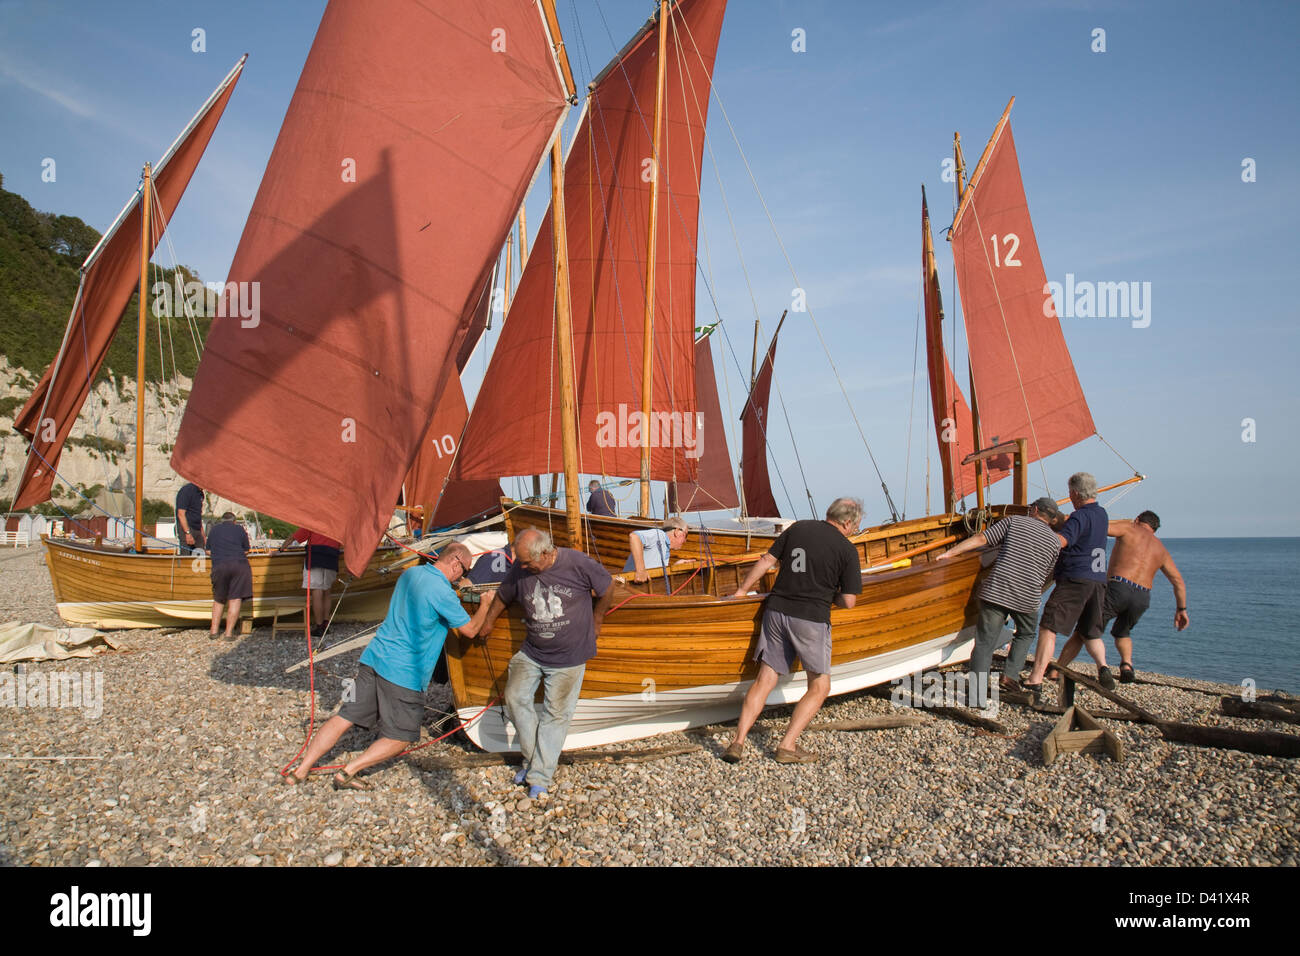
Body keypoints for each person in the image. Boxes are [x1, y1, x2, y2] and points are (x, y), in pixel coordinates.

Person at [285, 542, 479, 789]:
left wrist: (456, 586)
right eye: (465, 570)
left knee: (344, 716)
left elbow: (427, 593)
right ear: (455, 562)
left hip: (374, 658)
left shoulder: (411, 574)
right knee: (402, 736)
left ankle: (300, 770)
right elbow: (471, 630)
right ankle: (348, 771)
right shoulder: (444, 593)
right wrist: (489, 603)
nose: (464, 575)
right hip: (404, 672)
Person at [473, 528, 614, 799]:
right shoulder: (522, 568)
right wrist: (488, 623)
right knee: (514, 698)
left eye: (527, 562)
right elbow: (504, 595)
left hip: (569, 656)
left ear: (547, 553)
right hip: (532, 651)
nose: (522, 567)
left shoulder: (577, 562)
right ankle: (533, 760)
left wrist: (597, 621)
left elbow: (608, 588)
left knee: (555, 715)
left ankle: (539, 777)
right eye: (521, 562)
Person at [722, 497, 863, 764]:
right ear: (847, 522)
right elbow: (849, 601)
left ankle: (737, 742)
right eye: (855, 525)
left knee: (765, 679)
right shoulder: (847, 550)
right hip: (810, 618)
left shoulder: (797, 529)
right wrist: (831, 594)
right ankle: (787, 746)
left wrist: (741, 591)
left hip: (775, 611)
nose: (854, 530)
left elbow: (766, 561)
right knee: (820, 686)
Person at [936, 497, 1064, 699]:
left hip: (998, 589)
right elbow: (1047, 571)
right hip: (1028, 597)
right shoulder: (1055, 542)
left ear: (1035, 509)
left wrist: (950, 553)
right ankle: (1010, 676)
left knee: (985, 641)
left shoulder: (1014, 521)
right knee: (1026, 633)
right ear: (1051, 518)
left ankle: (977, 693)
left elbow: (981, 539)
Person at [1052, 510, 1189, 683]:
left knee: (1084, 631)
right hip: (1142, 596)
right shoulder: (1161, 549)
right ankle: (1126, 665)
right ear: (1154, 529)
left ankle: (1057, 671)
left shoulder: (1129, 528)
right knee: (1123, 633)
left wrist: (1070, 520)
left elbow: (1098, 527)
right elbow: (1178, 581)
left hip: (1118, 587)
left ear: (1138, 519)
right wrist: (1181, 609)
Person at [1023, 472, 1112, 697]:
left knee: (1048, 627)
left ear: (1074, 493)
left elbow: (1061, 542)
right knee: (1089, 632)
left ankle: (1035, 679)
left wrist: (1036, 539)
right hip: (1098, 580)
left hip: (1075, 579)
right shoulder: (1102, 514)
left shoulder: (1079, 517)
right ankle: (1103, 666)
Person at [278, 527, 343, 637]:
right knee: (327, 591)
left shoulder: (313, 522)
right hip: (332, 556)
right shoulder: (336, 522)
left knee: (317, 591)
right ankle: (326, 625)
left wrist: (280, 549)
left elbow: (294, 538)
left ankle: (319, 627)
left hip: (315, 556)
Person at [207, 511, 251, 640]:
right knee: (235, 598)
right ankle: (228, 633)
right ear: (234, 521)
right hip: (239, 565)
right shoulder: (240, 529)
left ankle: (214, 631)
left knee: (219, 599)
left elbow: (208, 550)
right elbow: (246, 550)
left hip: (220, 565)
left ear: (222, 520)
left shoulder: (214, 530)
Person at [623, 516, 688, 583]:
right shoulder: (659, 535)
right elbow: (634, 537)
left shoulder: (665, 547)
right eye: (685, 535)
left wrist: (676, 566)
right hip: (627, 587)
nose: (685, 541)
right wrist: (641, 571)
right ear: (677, 532)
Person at [175, 482, 204, 554]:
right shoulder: (187, 490)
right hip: (187, 527)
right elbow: (181, 514)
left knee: (200, 555)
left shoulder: (200, 494)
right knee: (186, 554)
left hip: (197, 528)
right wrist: (187, 533)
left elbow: (198, 514)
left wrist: (203, 534)